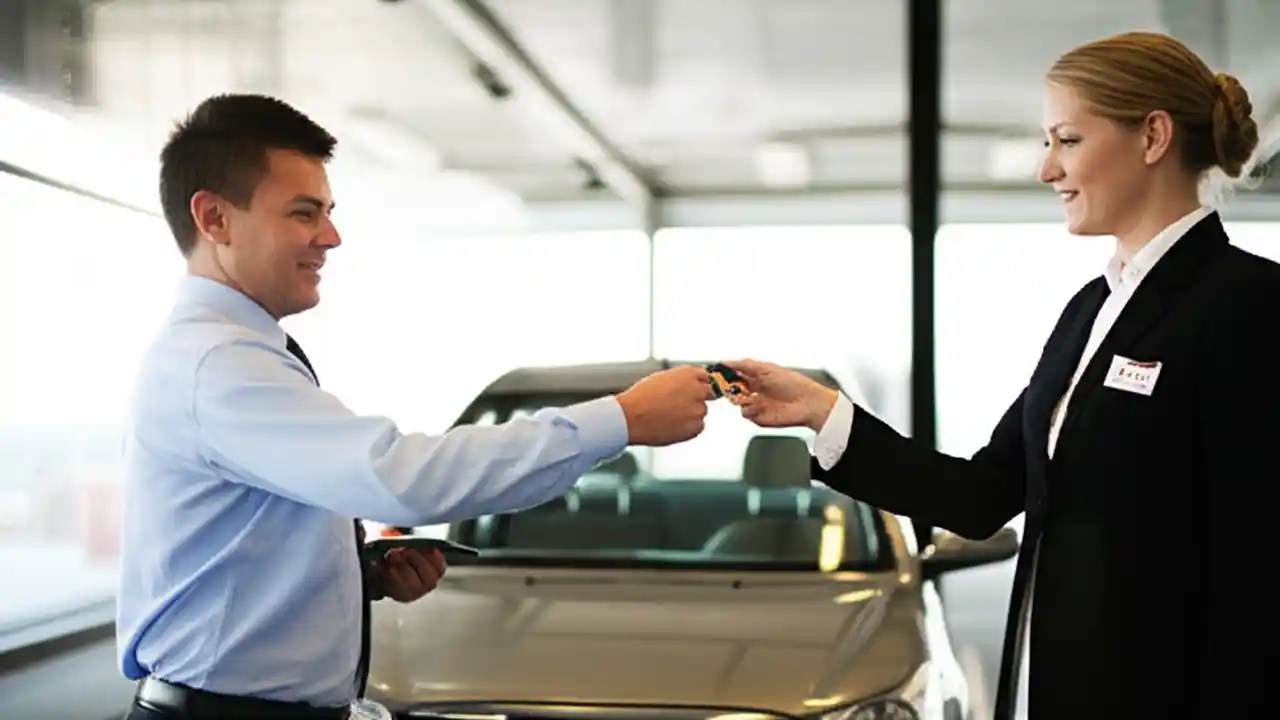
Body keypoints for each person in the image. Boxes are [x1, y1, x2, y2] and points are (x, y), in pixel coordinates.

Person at [724, 31, 1275, 720]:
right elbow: (983, 494)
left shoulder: (1248, 306)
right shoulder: (1091, 313)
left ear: (1153, 136)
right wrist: (823, 413)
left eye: (1067, 140)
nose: (1048, 169)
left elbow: (1257, 576)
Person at [117, 93, 714, 720]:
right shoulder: (218, 364)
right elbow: (401, 476)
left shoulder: (233, 353)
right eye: (303, 213)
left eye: (327, 211)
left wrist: (355, 575)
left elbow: (237, 548)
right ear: (215, 218)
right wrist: (621, 419)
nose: (331, 236)